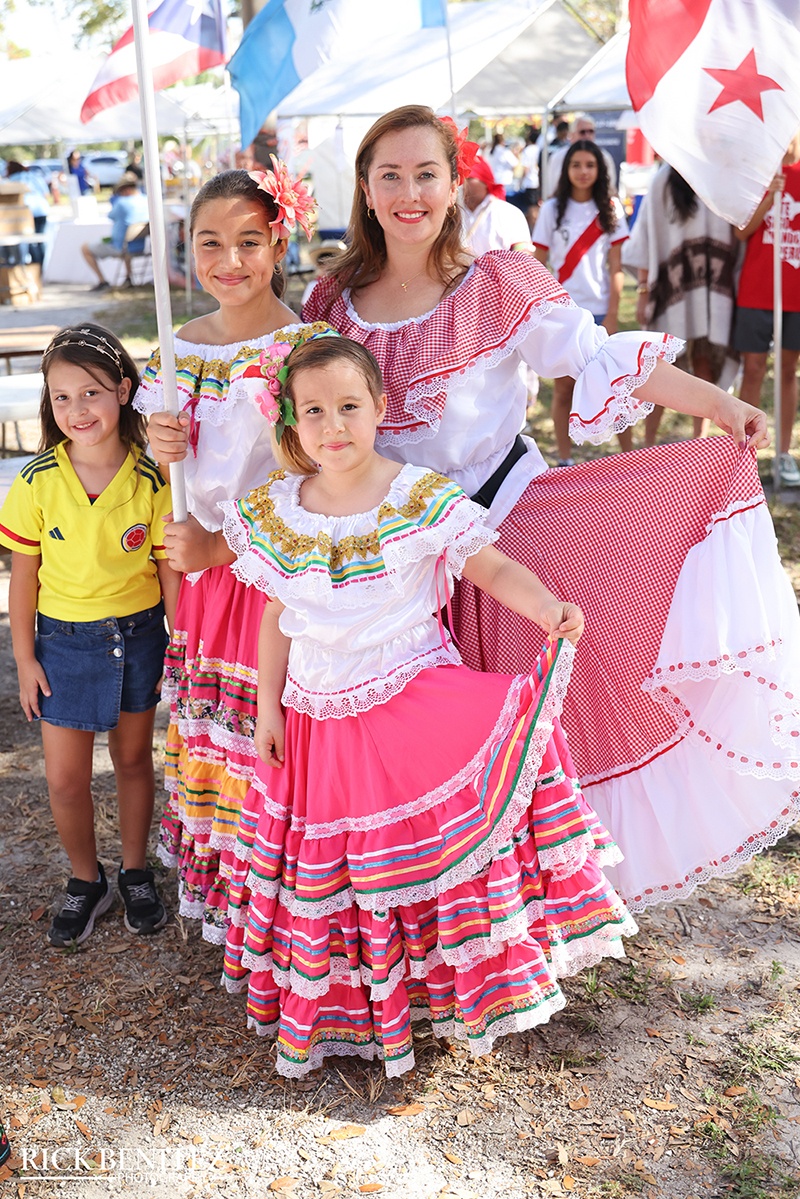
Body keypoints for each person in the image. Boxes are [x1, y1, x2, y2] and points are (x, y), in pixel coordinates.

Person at [302, 105, 800, 914]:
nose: (409, 192)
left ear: (455, 184)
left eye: (426, 173)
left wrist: (720, 403)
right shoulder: (331, 302)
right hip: (390, 571)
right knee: (415, 757)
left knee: (533, 733)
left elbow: (600, 356)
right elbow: (290, 416)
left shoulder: (496, 282)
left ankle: (530, 910)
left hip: (509, 536)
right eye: (388, 174)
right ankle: (434, 918)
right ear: (363, 187)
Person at [216, 333, 636, 1075]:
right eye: (314, 410)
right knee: (351, 868)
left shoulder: (418, 497)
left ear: (380, 407)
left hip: (411, 697)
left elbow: (492, 566)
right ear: (291, 420)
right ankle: (372, 998)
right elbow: (277, 613)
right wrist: (271, 706)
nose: (333, 425)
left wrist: (544, 606)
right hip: (317, 720)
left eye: (349, 406)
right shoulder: (276, 510)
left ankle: (450, 987)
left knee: (429, 853)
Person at [133, 165, 330, 944]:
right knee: (217, 733)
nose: (231, 260)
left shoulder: (305, 346)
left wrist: (226, 541)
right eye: (211, 243)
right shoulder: (176, 352)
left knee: (278, 735)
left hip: (276, 578)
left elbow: (318, 472)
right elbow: (169, 478)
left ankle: (293, 900)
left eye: (250, 241)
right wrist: (159, 443)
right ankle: (237, 896)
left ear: (279, 242)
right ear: (189, 251)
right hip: (205, 584)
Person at [0, 325, 180, 946]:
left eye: (92, 393)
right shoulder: (36, 482)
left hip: (137, 637)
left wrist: (178, 644)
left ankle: (134, 871)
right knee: (65, 779)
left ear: (125, 391)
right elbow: (22, 578)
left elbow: (166, 570)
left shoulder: (154, 480)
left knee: (133, 759)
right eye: (61, 398)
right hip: (63, 642)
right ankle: (87, 878)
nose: (77, 410)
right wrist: (25, 658)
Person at [623, 164, 740, 447]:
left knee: (704, 364)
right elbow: (647, 237)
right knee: (662, 368)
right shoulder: (664, 178)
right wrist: (642, 291)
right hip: (671, 292)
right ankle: (649, 444)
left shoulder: (720, 174)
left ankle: (698, 443)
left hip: (710, 291)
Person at [532, 141, 630, 465]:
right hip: (564, 314)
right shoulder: (551, 209)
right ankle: (564, 459)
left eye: (590, 164)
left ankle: (629, 459)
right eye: (577, 164)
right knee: (563, 390)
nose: (583, 171)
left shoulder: (611, 207)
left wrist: (613, 314)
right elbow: (538, 262)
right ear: (566, 169)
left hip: (600, 309)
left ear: (600, 170)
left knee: (617, 389)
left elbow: (616, 268)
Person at [732, 132, 800, 486]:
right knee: (754, 368)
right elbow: (741, 232)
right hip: (757, 291)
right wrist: (769, 197)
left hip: (795, 294)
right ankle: (746, 454)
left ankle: (785, 454)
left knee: (788, 371)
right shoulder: (757, 174)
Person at [81, 177, 149, 293]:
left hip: (122, 247)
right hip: (139, 245)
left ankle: (103, 281)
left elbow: (111, 216)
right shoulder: (147, 200)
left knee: (85, 248)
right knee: (125, 243)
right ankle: (128, 278)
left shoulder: (122, 203)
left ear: (126, 190)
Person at [462, 155, 532, 256]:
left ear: (485, 182)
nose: (462, 183)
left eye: (469, 178)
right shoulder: (450, 213)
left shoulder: (509, 213)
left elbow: (523, 255)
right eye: (459, 178)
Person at [543, 114, 617, 199]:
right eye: (583, 132)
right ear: (572, 135)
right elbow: (551, 187)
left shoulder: (604, 157)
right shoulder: (558, 157)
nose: (587, 135)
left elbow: (609, 186)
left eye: (590, 131)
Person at [4, 159, 49, 266]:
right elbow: (46, 193)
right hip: (42, 210)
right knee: (40, 240)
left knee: (30, 241)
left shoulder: (12, 179)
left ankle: (35, 268)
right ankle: (41, 268)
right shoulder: (35, 175)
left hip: (27, 212)